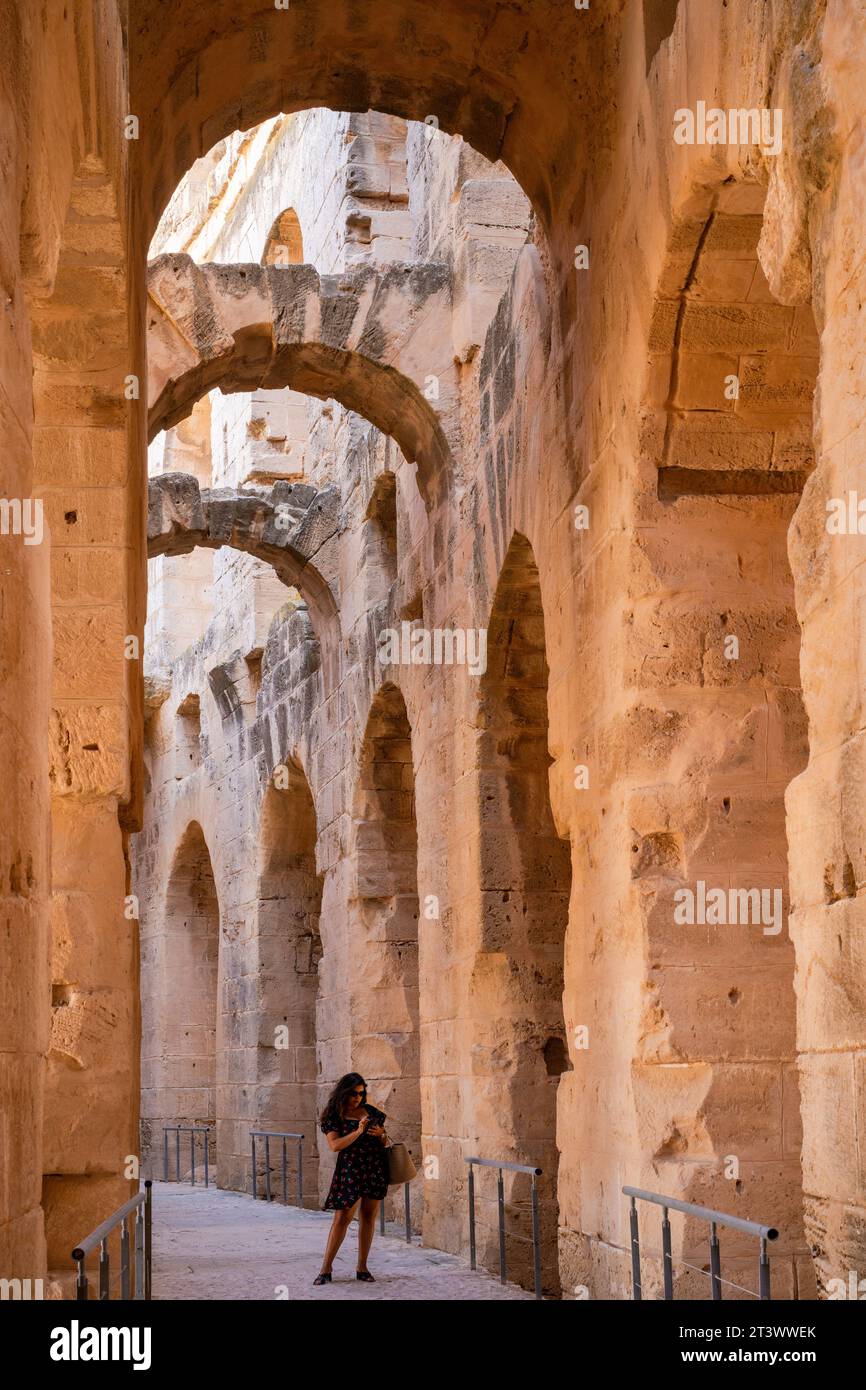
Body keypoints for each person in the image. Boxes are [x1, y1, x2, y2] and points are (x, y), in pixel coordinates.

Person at [313, 1072, 390, 1284]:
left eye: (362, 1093)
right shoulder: (333, 1116)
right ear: (344, 1093)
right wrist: (358, 1131)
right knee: (342, 1218)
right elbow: (335, 1145)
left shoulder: (372, 1112)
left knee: (368, 1217)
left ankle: (362, 1267)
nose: (358, 1097)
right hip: (350, 1171)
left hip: (374, 1168)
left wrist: (381, 1135)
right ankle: (326, 1269)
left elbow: (384, 1143)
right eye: (354, 1093)